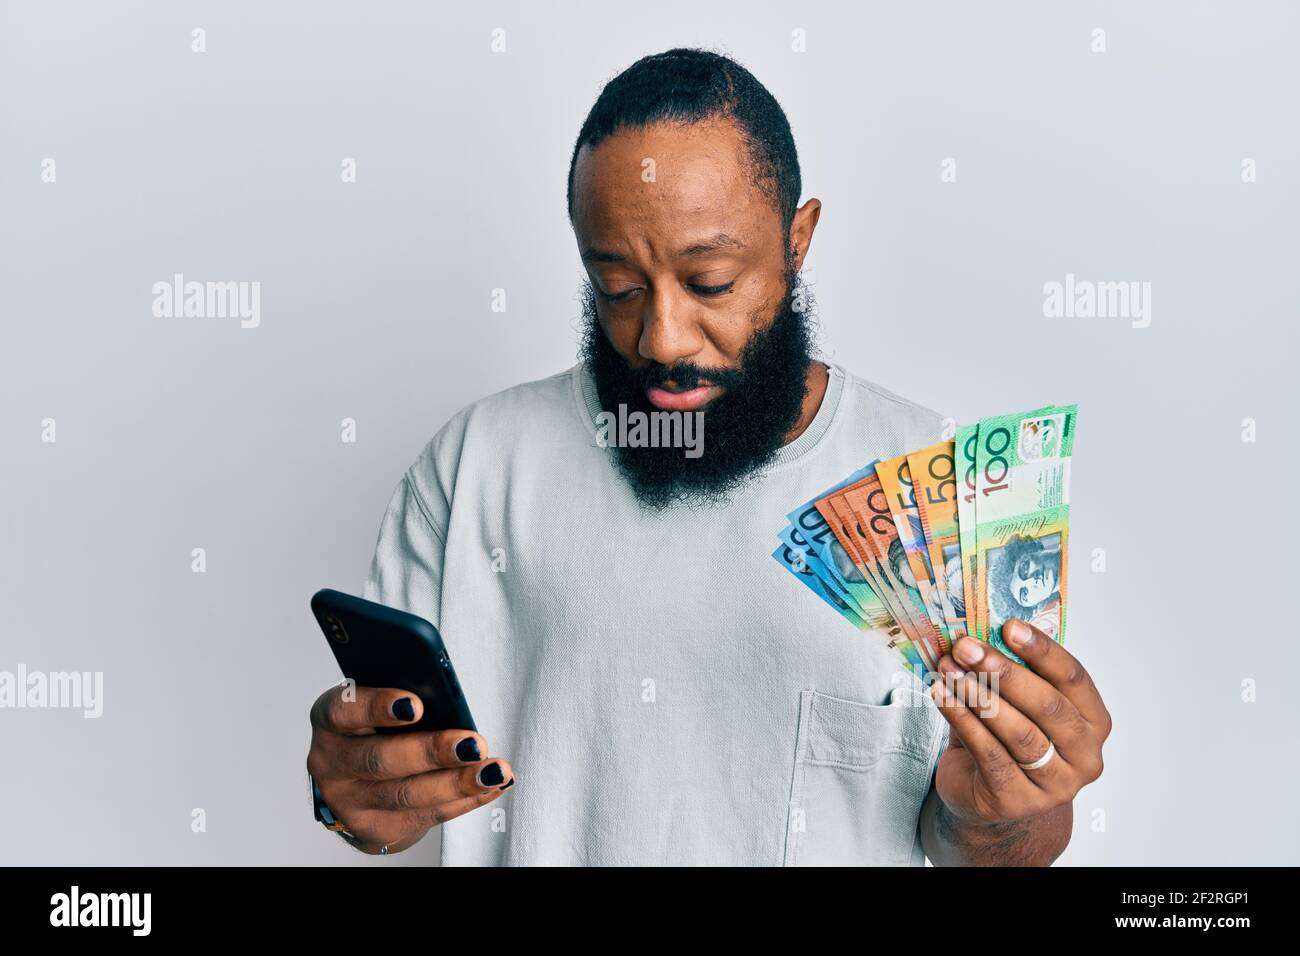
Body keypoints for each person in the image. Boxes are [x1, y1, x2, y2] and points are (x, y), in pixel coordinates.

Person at [305, 47, 1110, 865]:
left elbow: (993, 844)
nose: (662, 338)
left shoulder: (939, 486)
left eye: (711, 282)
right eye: (617, 288)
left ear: (798, 241)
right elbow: (380, 799)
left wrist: (1004, 812)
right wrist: (358, 796)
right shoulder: (475, 466)